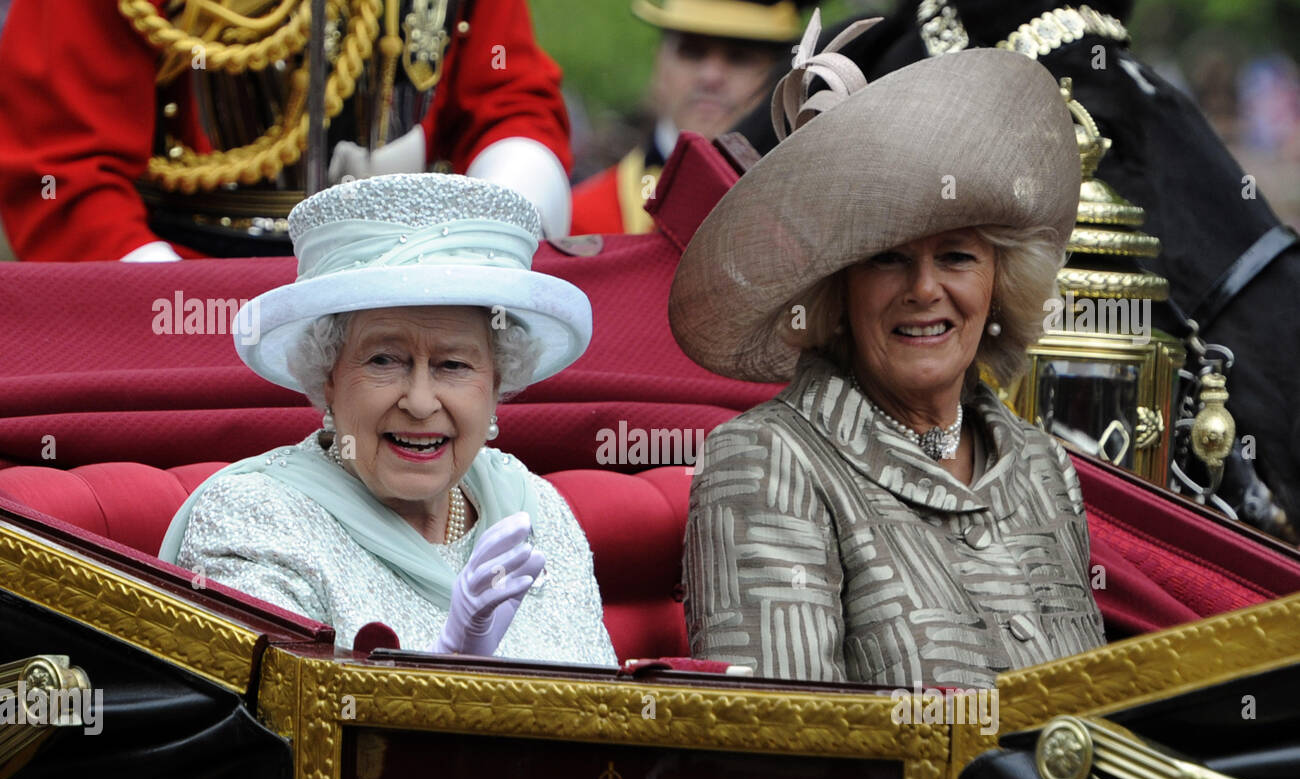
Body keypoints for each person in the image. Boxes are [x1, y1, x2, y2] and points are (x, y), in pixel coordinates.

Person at [670, 20, 1106, 687]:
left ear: (999, 283)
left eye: (956, 256)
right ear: (837, 291)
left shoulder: (1044, 468)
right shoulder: (765, 463)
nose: (925, 289)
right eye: (888, 259)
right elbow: (788, 754)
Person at [159, 172, 617, 665]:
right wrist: (444, 668)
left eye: (453, 365)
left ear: (497, 384)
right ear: (328, 375)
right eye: (383, 360)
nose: (420, 402)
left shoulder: (537, 510)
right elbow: (280, 728)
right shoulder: (254, 518)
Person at [0, 0, 573, 261]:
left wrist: (486, 254)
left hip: (412, 285)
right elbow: (63, 168)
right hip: (190, 286)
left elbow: (511, 104)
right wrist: (165, 311)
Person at [569, 0, 804, 236]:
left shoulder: (807, 212)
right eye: (692, 52)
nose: (710, 76)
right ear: (659, 64)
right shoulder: (580, 219)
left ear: (780, 77)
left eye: (739, 57)